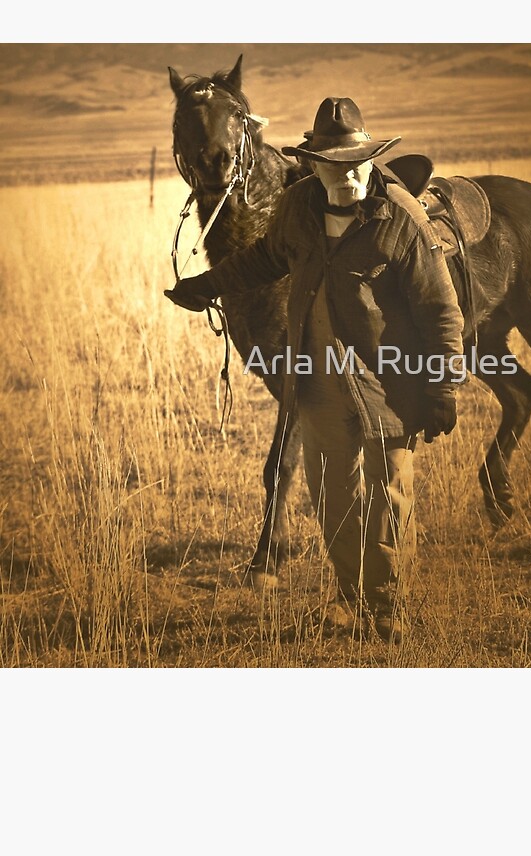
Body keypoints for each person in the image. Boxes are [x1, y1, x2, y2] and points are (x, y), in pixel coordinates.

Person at [166, 97, 464, 643]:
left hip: (387, 381)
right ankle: (351, 599)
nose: (346, 174)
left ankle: (388, 605)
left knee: (389, 496)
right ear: (313, 166)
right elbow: (266, 257)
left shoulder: (400, 217)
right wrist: (208, 285)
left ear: (370, 159)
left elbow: (440, 308)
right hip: (317, 379)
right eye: (333, 164)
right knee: (331, 496)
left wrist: (443, 384)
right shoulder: (299, 208)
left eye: (356, 163)